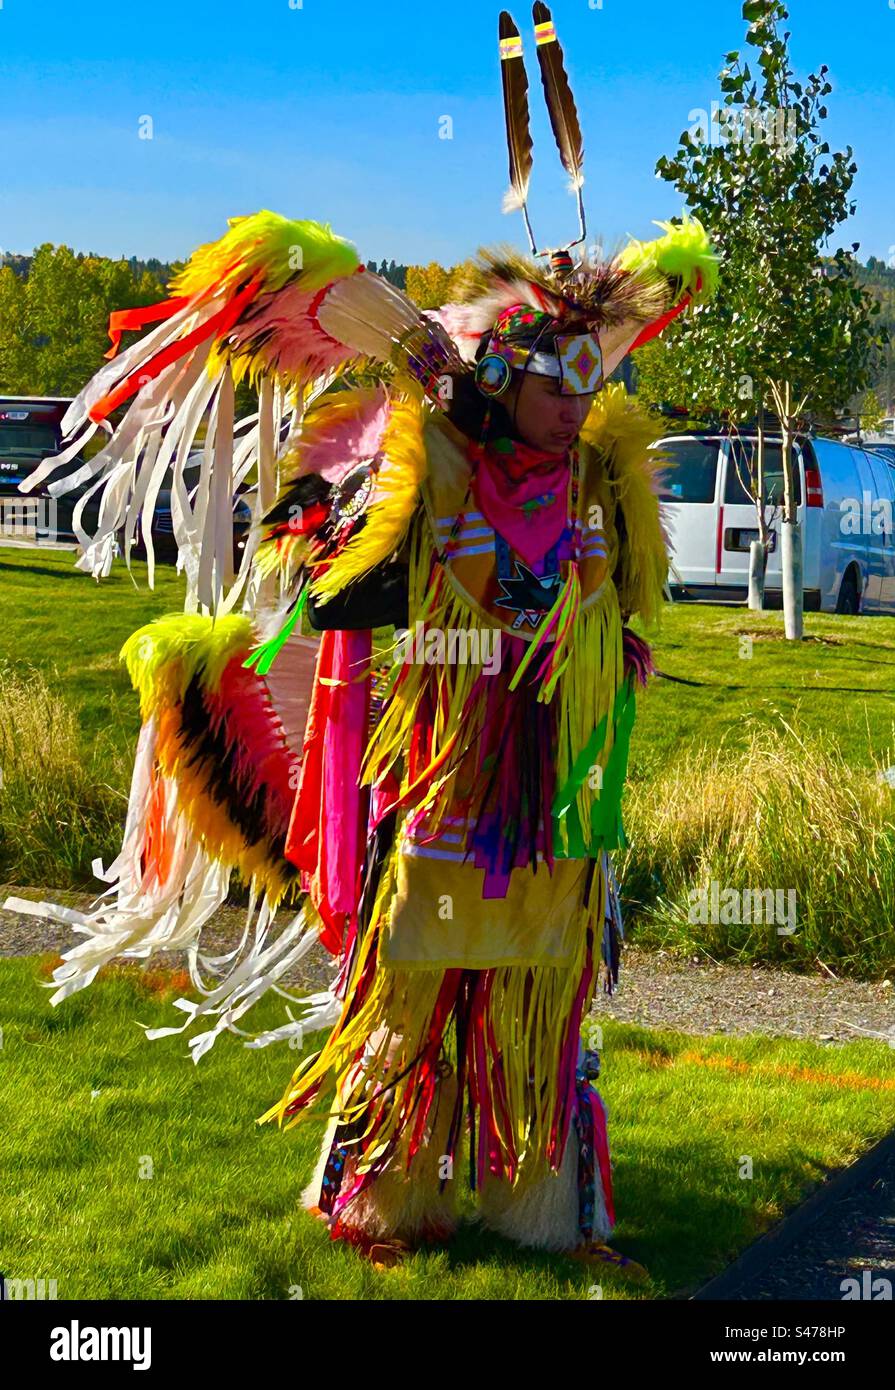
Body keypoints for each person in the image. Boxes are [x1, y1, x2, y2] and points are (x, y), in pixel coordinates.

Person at [8, 3, 719, 1281]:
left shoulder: (600, 488)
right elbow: (346, 604)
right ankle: (389, 1198)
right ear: (503, 384)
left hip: (556, 797)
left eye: (586, 383)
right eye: (555, 383)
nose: (577, 403)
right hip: (445, 783)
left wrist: (602, 640)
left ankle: (542, 1206)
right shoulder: (433, 481)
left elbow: (627, 634)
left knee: (541, 1005)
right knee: (412, 995)